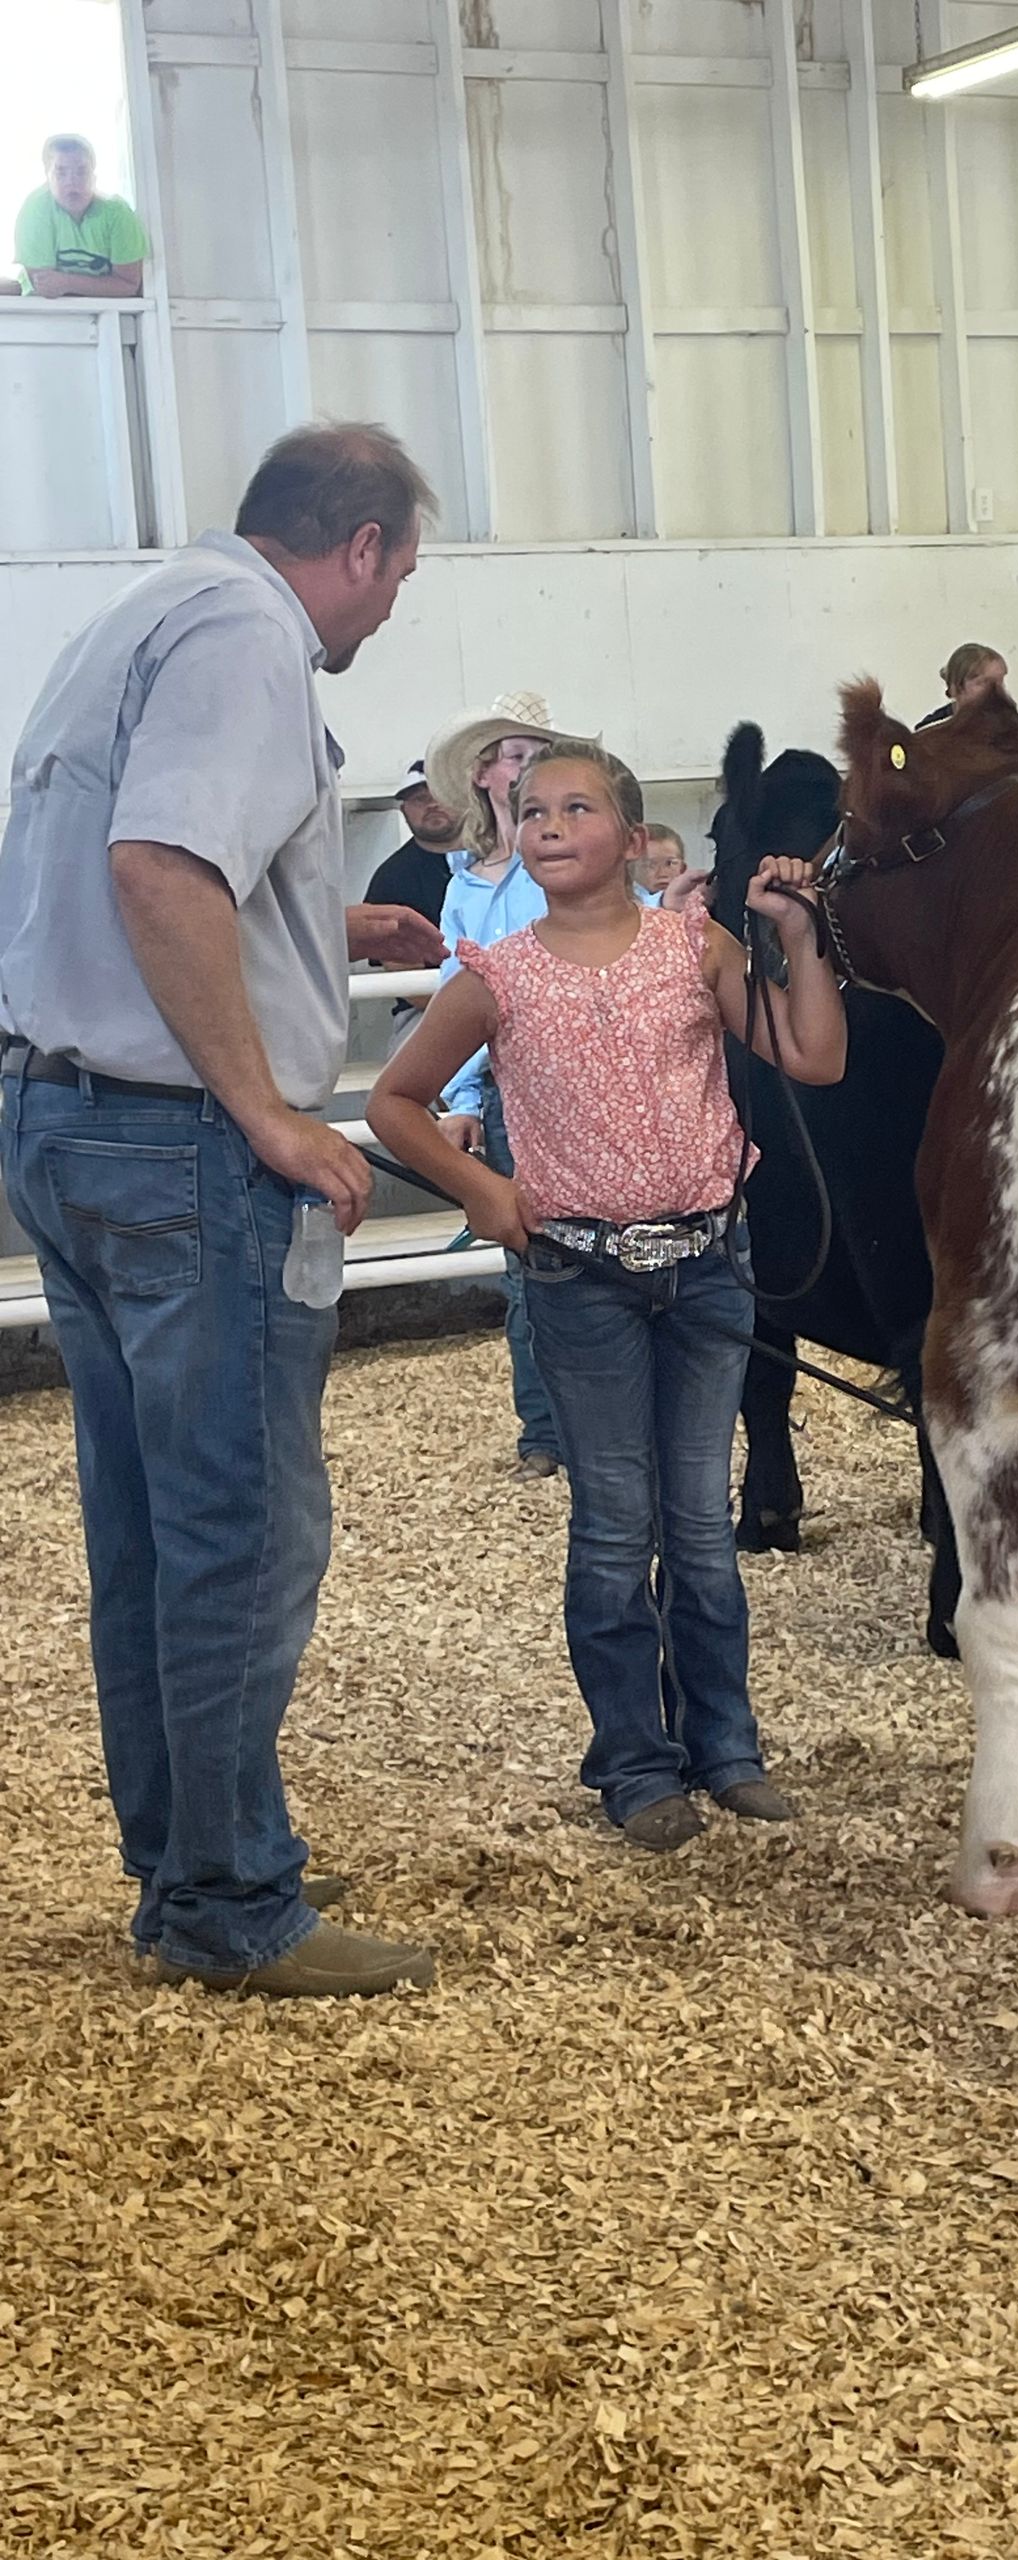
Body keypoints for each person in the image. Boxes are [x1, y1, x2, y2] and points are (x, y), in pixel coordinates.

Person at [0, 422, 444, 1996]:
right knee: (244, 1529)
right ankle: (233, 1901)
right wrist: (266, 1107)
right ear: (362, 545)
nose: (388, 606)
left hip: (64, 1118)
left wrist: (322, 915)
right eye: (398, 575)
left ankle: (181, 1863)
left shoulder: (140, 614)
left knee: (150, 1526)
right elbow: (159, 867)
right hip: (180, 1146)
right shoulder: (251, 636)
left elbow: (136, 866)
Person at [368, 741, 846, 1853]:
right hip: (580, 1277)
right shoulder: (497, 975)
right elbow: (395, 1102)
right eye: (533, 810)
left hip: (708, 1266)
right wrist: (484, 1190)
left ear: (632, 837)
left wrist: (797, 935)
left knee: (701, 1524)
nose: (548, 824)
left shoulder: (696, 944)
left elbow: (814, 1056)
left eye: (577, 807)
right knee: (617, 1522)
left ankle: (726, 1748)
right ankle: (634, 1761)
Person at [424, 692, 571, 1480]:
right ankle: (543, 1431)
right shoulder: (466, 889)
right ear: (484, 774)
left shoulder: (573, 863)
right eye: (517, 755)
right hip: (517, 1088)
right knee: (530, 1263)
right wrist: (465, 1099)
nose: (529, 768)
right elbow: (458, 997)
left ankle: (590, 1427)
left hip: (587, 1079)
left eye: (539, 754)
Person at [364, 758, 466, 1049]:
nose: (432, 804)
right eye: (419, 799)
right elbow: (411, 986)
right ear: (404, 811)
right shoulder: (392, 879)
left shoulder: (504, 862)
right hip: (427, 1013)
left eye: (440, 794)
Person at [14, 134, 147, 300]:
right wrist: (101, 286)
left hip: (106, 310)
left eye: (81, 172)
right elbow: (45, 286)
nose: (72, 181)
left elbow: (129, 285)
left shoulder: (117, 214)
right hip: (41, 310)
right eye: (61, 173)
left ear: (94, 177)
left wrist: (67, 282)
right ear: (47, 177)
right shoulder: (35, 209)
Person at [917, 643, 1006, 729]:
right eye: (983, 682)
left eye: (1000, 681)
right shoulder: (932, 730)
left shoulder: (1006, 726)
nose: (996, 691)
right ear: (956, 687)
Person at [635, 823, 688, 906]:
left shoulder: (694, 905)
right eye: (650, 865)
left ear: (682, 869)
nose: (662, 874)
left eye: (670, 863)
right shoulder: (626, 905)